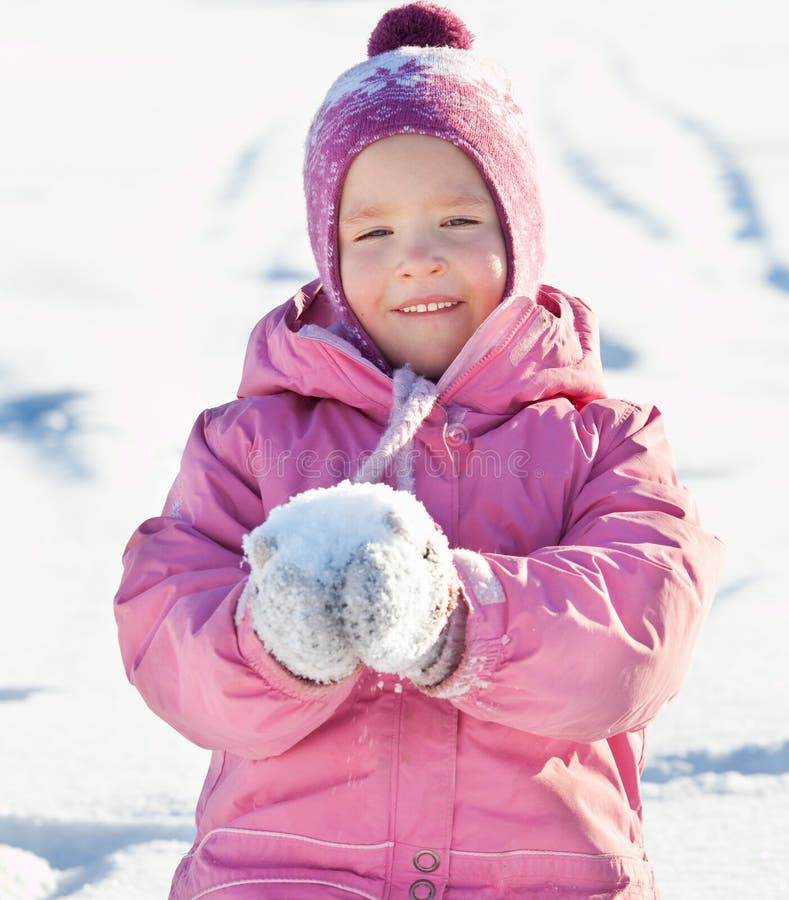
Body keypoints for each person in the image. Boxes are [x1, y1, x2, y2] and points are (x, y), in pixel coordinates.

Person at [114, 3, 724, 898]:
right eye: (372, 233)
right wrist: (271, 641)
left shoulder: (604, 442)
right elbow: (168, 634)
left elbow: (634, 640)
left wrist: (454, 619)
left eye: (457, 222)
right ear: (329, 253)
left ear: (518, 237)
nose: (416, 259)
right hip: (283, 877)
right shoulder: (249, 442)